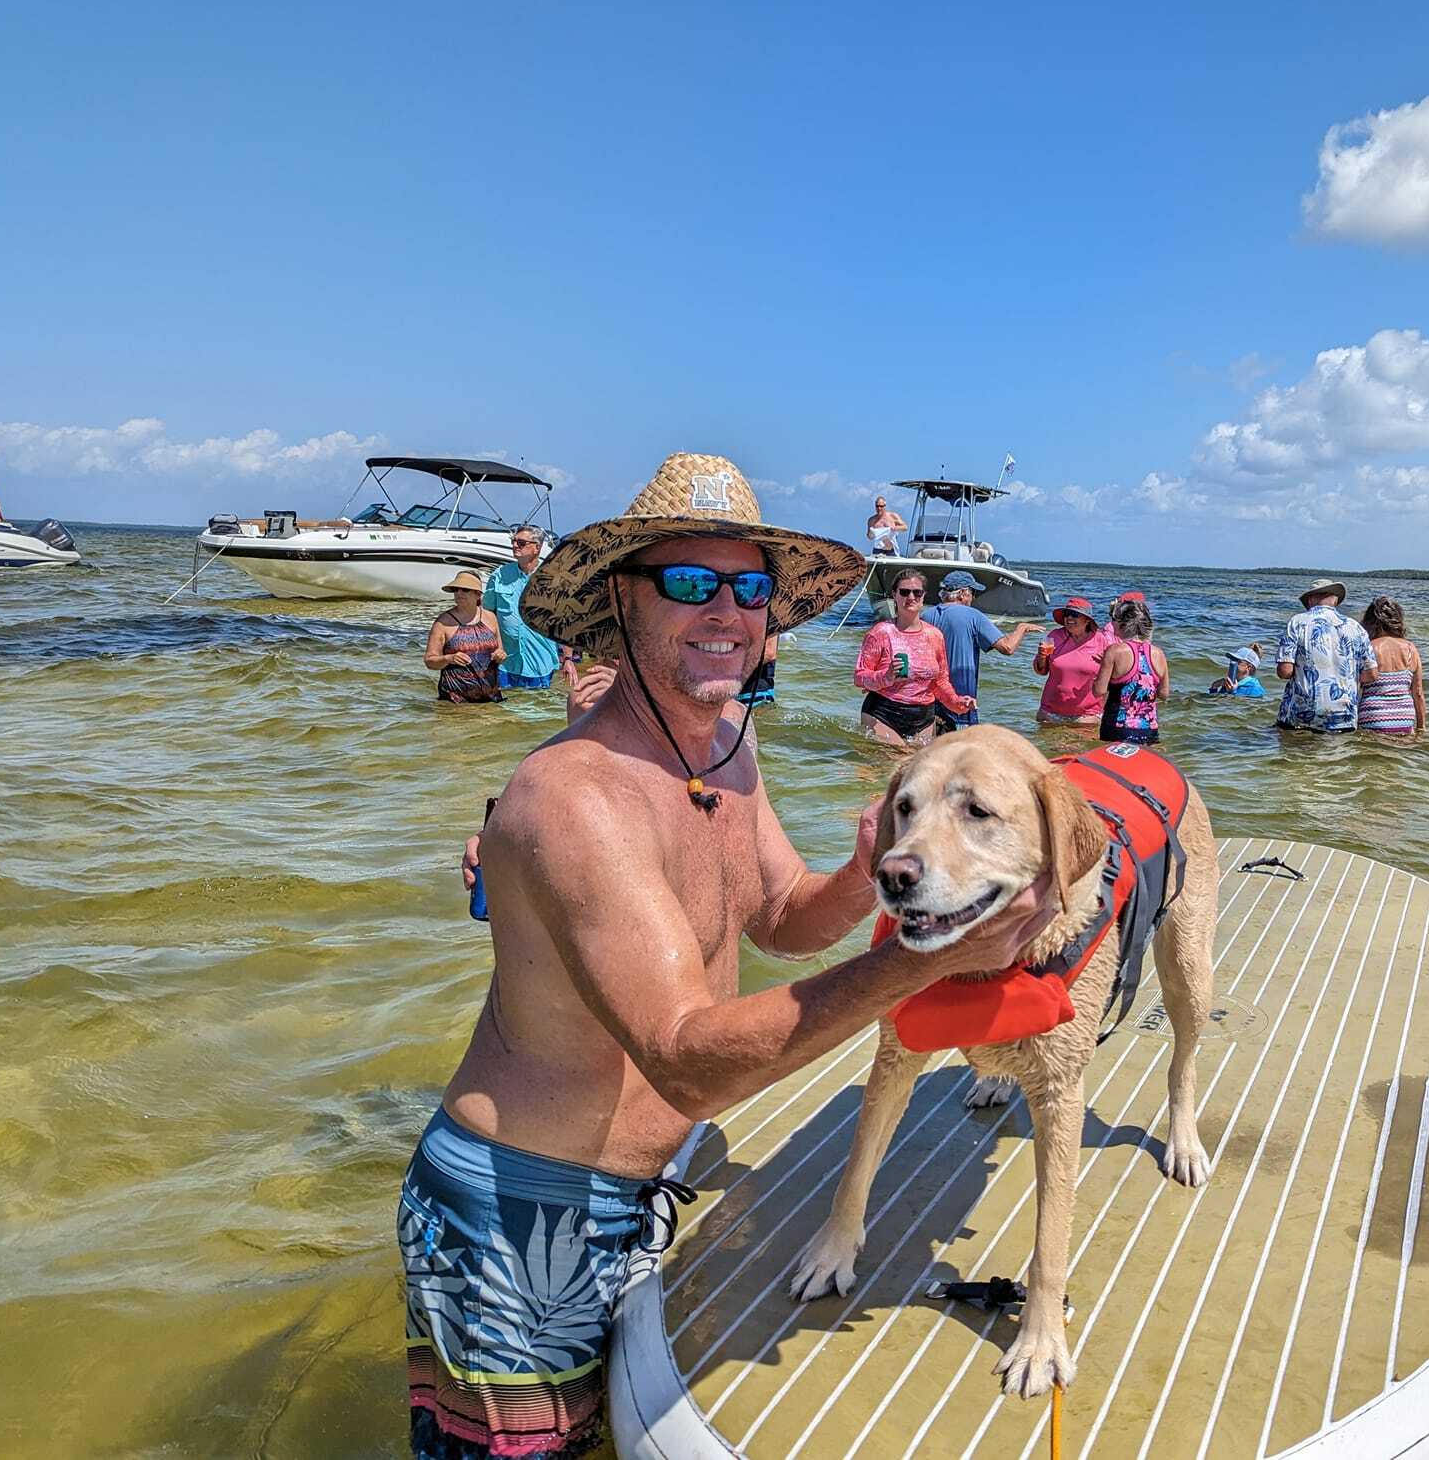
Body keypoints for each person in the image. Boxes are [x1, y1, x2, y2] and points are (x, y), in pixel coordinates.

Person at [408, 452, 1056, 1460]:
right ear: (619, 601)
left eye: (749, 588)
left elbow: (779, 920)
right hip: (524, 1212)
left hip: (659, 1178)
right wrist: (928, 959)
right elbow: (685, 1054)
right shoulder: (575, 796)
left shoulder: (724, 747)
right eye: (688, 583)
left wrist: (863, 872)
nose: (727, 610)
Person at [853, 569, 974, 746]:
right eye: (904, 592)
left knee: (917, 767)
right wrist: (885, 677)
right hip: (883, 713)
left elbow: (940, 682)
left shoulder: (935, 636)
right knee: (889, 763)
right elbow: (859, 677)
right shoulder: (880, 633)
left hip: (923, 716)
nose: (911, 597)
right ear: (894, 595)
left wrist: (957, 702)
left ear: (923, 596)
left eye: (917, 592)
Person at [925, 570, 1044, 731]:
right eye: (973, 593)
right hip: (961, 701)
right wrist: (1022, 628)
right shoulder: (974, 616)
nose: (973, 598)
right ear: (962, 593)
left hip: (929, 701)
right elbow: (1007, 647)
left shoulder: (926, 616)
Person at [1275, 578, 1376, 732]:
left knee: (1296, 755)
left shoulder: (1297, 622)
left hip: (1301, 713)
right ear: (1335, 600)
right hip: (1344, 714)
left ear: (1310, 600)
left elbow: (1284, 671)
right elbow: (1371, 674)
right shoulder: (1356, 627)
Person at [482, 526, 570, 690]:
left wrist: (568, 659)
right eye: (513, 541)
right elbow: (487, 613)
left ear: (537, 547)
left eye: (521, 542)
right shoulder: (499, 575)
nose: (515, 545)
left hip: (540, 663)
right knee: (503, 713)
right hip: (505, 663)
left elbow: (565, 620)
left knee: (536, 712)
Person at [1093, 595, 1168, 744]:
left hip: (1116, 728)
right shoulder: (1159, 653)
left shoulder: (1114, 651)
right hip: (1149, 729)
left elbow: (1098, 691)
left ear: (1122, 624)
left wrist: (1101, 670)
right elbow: (1164, 694)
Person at [424, 571, 506, 703]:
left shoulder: (491, 618)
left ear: (477, 594)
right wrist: (449, 658)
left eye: (465, 590)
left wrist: (500, 656)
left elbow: (500, 653)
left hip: (491, 699)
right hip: (455, 702)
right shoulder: (443, 623)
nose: (459, 593)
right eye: (456, 590)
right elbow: (429, 661)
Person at [1032, 597, 1112, 725]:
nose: (1069, 618)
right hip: (1050, 713)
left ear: (1087, 620)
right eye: (1066, 614)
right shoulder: (1055, 636)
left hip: (1087, 716)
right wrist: (1041, 656)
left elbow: (1116, 678)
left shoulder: (1102, 641)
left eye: (1074, 615)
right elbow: (1041, 670)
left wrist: (1108, 665)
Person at [1357, 596, 1427, 734]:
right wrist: (1421, 728)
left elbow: (1355, 688)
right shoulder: (1410, 648)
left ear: (1371, 622)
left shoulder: (1369, 647)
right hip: (1404, 718)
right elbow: (1418, 693)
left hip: (1373, 716)